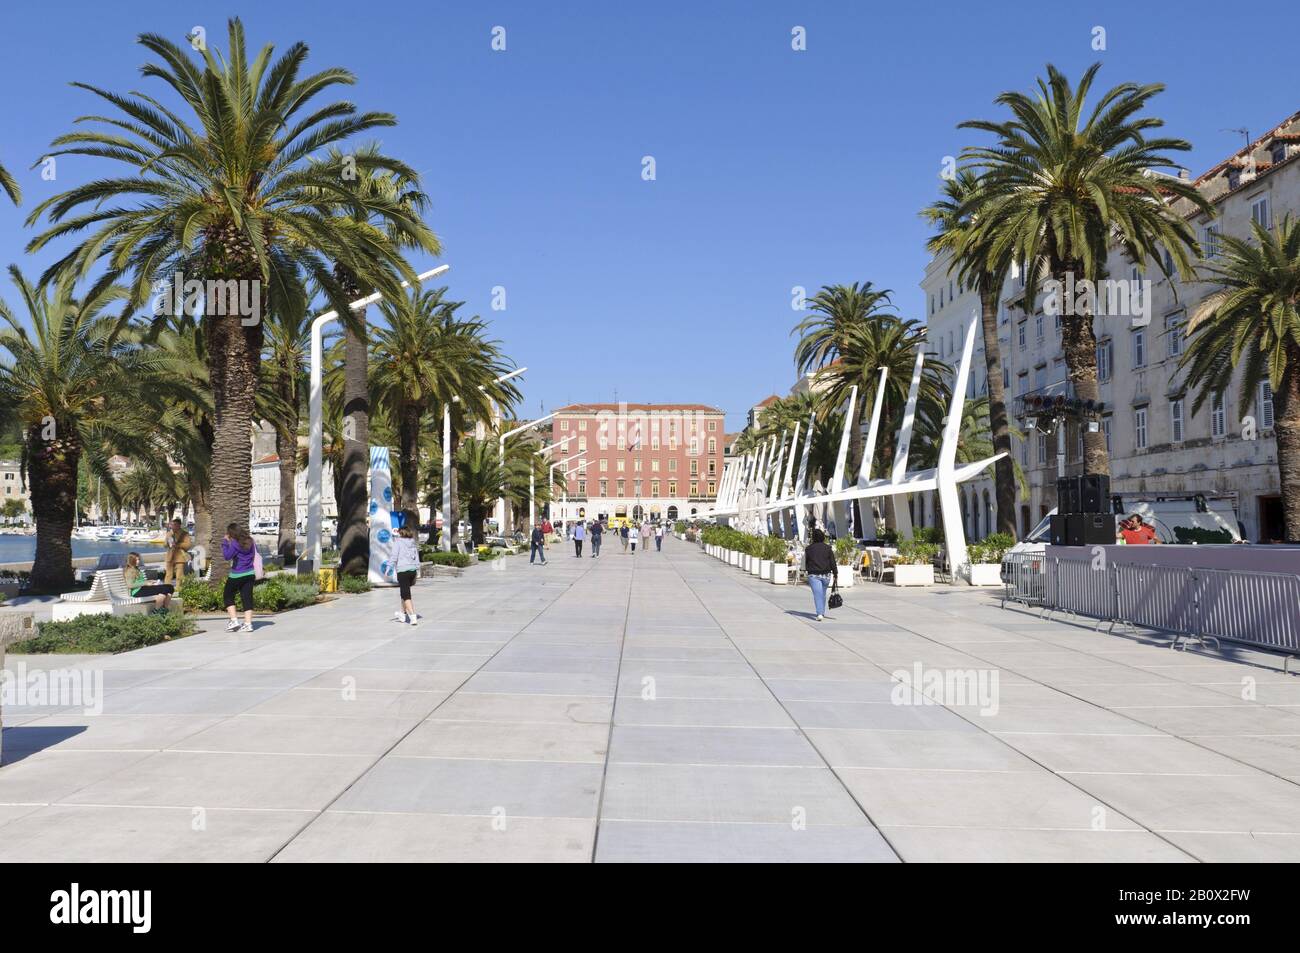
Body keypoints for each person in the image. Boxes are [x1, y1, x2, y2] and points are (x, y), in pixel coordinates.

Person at [221, 523, 257, 632]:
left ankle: (234, 620)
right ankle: (248, 624)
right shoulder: (250, 541)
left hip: (237, 574)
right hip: (250, 573)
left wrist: (225, 543)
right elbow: (254, 555)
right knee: (247, 598)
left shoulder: (235, 543)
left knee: (227, 595)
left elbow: (227, 556)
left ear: (231, 533)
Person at [803, 528, 838, 622]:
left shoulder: (809, 549)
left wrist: (807, 570)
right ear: (823, 537)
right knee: (822, 594)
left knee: (818, 594)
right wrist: (835, 573)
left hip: (814, 575)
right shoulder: (828, 548)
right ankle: (821, 612)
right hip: (826, 575)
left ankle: (819, 613)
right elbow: (832, 562)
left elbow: (806, 563)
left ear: (813, 537)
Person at [392, 523, 421, 626]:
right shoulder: (412, 543)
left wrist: (389, 566)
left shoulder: (398, 542)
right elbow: (416, 557)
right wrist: (418, 569)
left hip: (403, 571)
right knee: (404, 592)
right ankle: (402, 614)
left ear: (401, 533)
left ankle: (412, 616)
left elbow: (394, 557)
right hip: (412, 571)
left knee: (406, 594)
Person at [163, 518, 192, 584]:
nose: (173, 526)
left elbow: (188, 545)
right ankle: (166, 588)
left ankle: (178, 589)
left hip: (180, 557)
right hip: (170, 557)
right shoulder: (169, 533)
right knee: (168, 575)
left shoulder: (185, 534)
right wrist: (167, 543)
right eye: (172, 524)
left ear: (179, 525)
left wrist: (178, 545)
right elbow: (164, 545)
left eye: (175, 524)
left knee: (179, 576)